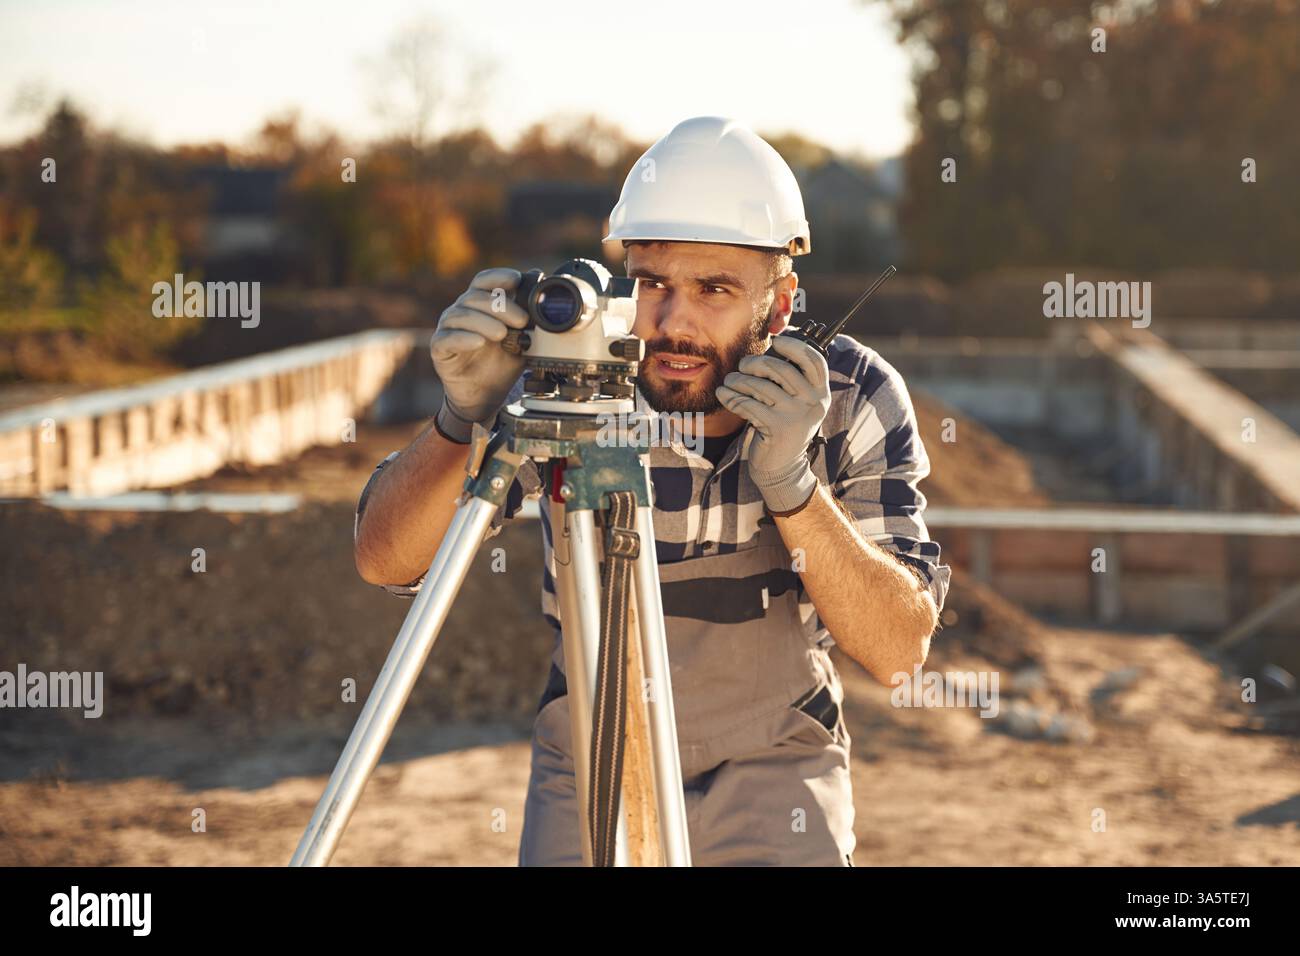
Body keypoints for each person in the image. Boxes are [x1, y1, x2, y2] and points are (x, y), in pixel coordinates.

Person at [353, 116, 951, 866]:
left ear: (781, 301)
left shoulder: (852, 395)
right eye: (653, 283)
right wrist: (460, 420)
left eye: (715, 290)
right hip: (593, 756)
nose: (673, 323)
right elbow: (385, 560)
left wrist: (793, 487)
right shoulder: (573, 378)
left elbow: (899, 651)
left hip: (776, 760)